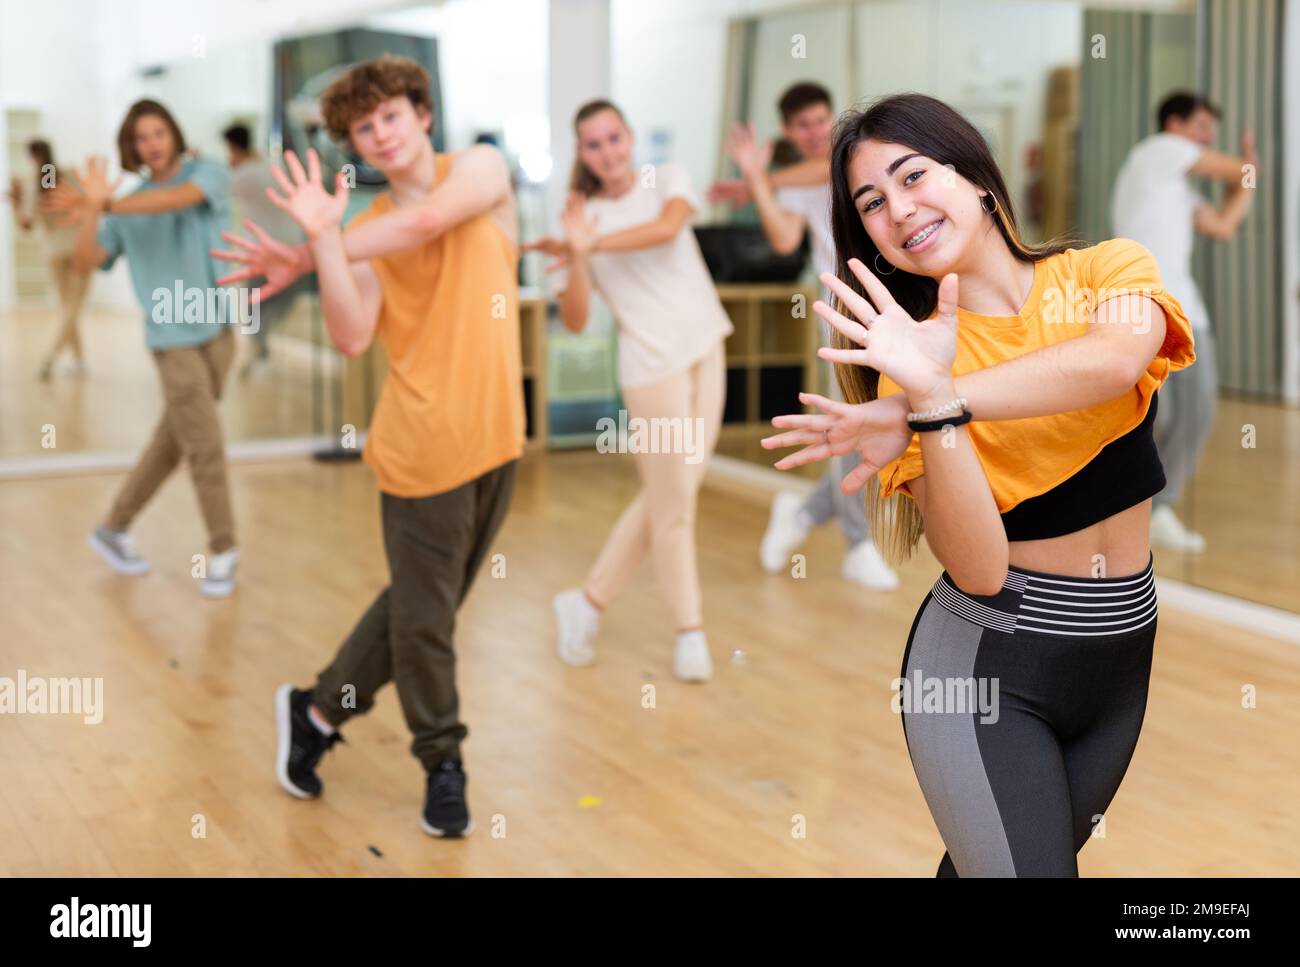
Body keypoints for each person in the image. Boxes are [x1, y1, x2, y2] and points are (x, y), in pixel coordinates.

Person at [764, 94, 1195, 876]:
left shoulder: (1104, 269)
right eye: (872, 204)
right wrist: (925, 399)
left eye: (913, 175)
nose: (898, 209)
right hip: (985, 673)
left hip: (1122, 660)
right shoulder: (904, 370)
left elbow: (1112, 364)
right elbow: (982, 569)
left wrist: (935, 402)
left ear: (975, 177)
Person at [213, 55, 524, 838]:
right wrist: (320, 242)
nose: (379, 134)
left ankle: (315, 711)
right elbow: (353, 336)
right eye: (361, 129)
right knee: (426, 625)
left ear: (421, 112)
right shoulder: (358, 231)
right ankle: (442, 765)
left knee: (423, 606)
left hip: (496, 438)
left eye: (389, 115)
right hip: (420, 447)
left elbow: (425, 221)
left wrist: (320, 246)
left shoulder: (481, 169)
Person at [526, 99, 732, 682]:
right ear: (582, 154)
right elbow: (573, 316)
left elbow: (668, 228)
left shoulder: (665, 180)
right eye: (593, 144)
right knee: (674, 507)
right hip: (651, 372)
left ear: (631, 136)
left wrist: (588, 247)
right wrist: (577, 254)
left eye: (614, 138)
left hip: (707, 346)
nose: (608, 152)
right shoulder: (578, 216)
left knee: (673, 493)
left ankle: (587, 601)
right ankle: (690, 631)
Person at [46, 101, 240, 597]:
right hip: (172, 341)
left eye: (158, 132)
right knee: (204, 445)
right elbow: (86, 262)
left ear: (173, 133)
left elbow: (178, 199)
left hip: (218, 332)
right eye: (140, 138)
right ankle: (224, 548)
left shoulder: (208, 173)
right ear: (131, 148)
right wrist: (91, 213)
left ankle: (113, 526)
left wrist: (104, 204)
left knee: (174, 439)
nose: (151, 143)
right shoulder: (125, 206)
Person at [714, 81, 898, 589]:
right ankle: (858, 544)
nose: (815, 132)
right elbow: (782, 238)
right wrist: (760, 186)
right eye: (803, 126)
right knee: (855, 429)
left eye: (820, 120)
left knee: (881, 428)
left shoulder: (854, 155)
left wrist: (759, 177)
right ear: (789, 132)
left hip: (894, 311)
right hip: (842, 315)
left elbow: (830, 165)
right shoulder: (790, 182)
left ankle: (799, 515)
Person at [1111, 91, 1256, 553]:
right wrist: (1249, 166)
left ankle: (1161, 507)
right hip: (1145, 308)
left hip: (1187, 310)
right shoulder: (1159, 150)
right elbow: (1235, 170)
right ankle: (1124, 508)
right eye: (1201, 127)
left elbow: (1223, 227)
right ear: (1173, 124)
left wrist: (1247, 180)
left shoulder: (1178, 189)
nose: (1207, 137)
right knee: (1158, 413)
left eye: (1211, 130)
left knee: (1198, 412)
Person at [221, 123, 308, 379]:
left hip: (264, 250)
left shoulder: (243, 175)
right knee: (276, 302)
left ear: (232, 147)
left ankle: (260, 353)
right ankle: (262, 351)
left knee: (254, 307)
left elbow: (221, 189)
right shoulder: (274, 164)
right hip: (293, 243)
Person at [8, 139, 91, 381]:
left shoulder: (35, 183)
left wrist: (16, 202)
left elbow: (26, 224)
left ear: (31, 157)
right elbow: (88, 205)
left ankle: (72, 360)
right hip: (78, 246)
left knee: (68, 308)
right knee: (72, 309)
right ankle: (59, 357)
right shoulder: (68, 175)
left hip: (56, 250)